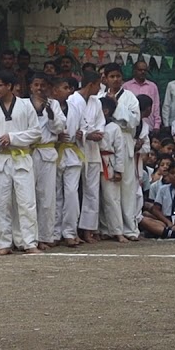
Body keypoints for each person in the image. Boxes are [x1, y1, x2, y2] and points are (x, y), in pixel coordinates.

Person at [0, 70, 42, 256]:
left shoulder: (26, 105)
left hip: (21, 157)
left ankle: (29, 242)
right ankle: (3, 243)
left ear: (9, 87)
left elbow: (35, 132)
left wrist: (12, 138)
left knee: (27, 201)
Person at [104, 64, 143, 241]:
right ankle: (107, 227)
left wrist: (116, 104)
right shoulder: (99, 95)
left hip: (125, 136)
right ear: (105, 78)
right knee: (107, 187)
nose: (115, 79)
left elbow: (135, 120)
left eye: (118, 76)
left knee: (127, 186)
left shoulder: (130, 97)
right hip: (104, 141)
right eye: (111, 76)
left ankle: (129, 227)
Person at [28, 72, 65, 248]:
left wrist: (48, 111)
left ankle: (44, 236)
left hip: (47, 153)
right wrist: (36, 110)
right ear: (31, 87)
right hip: (27, 153)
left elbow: (59, 128)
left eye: (43, 85)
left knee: (47, 197)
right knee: (27, 197)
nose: (39, 89)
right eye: (36, 85)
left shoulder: (54, 104)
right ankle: (28, 237)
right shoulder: (22, 104)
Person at [54, 77, 84, 247]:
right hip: (53, 153)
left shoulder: (75, 108)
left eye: (70, 88)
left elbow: (84, 126)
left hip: (72, 152)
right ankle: (54, 232)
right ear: (55, 90)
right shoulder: (48, 107)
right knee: (55, 195)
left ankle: (70, 232)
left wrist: (81, 133)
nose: (69, 91)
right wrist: (55, 137)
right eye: (65, 87)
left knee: (72, 193)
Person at [75, 72, 105, 244]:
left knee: (92, 192)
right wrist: (87, 134)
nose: (100, 88)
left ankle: (88, 230)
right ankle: (72, 230)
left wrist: (87, 134)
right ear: (91, 84)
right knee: (73, 192)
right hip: (75, 151)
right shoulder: (74, 100)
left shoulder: (96, 102)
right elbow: (74, 128)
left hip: (93, 152)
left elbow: (100, 128)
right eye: (98, 84)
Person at [97, 97, 127, 241]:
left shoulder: (114, 128)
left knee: (111, 198)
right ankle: (104, 229)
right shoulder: (94, 125)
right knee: (98, 197)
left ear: (105, 111)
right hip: (95, 161)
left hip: (109, 162)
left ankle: (118, 231)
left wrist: (119, 170)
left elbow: (120, 150)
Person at [124, 60, 162, 130]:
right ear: (134, 71)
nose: (143, 72)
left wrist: (157, 125)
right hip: (131, 126)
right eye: (140, 70)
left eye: (145, 70)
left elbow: (156, 106)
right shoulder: (126, 86)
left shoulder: (152, 86)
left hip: (149, 125)